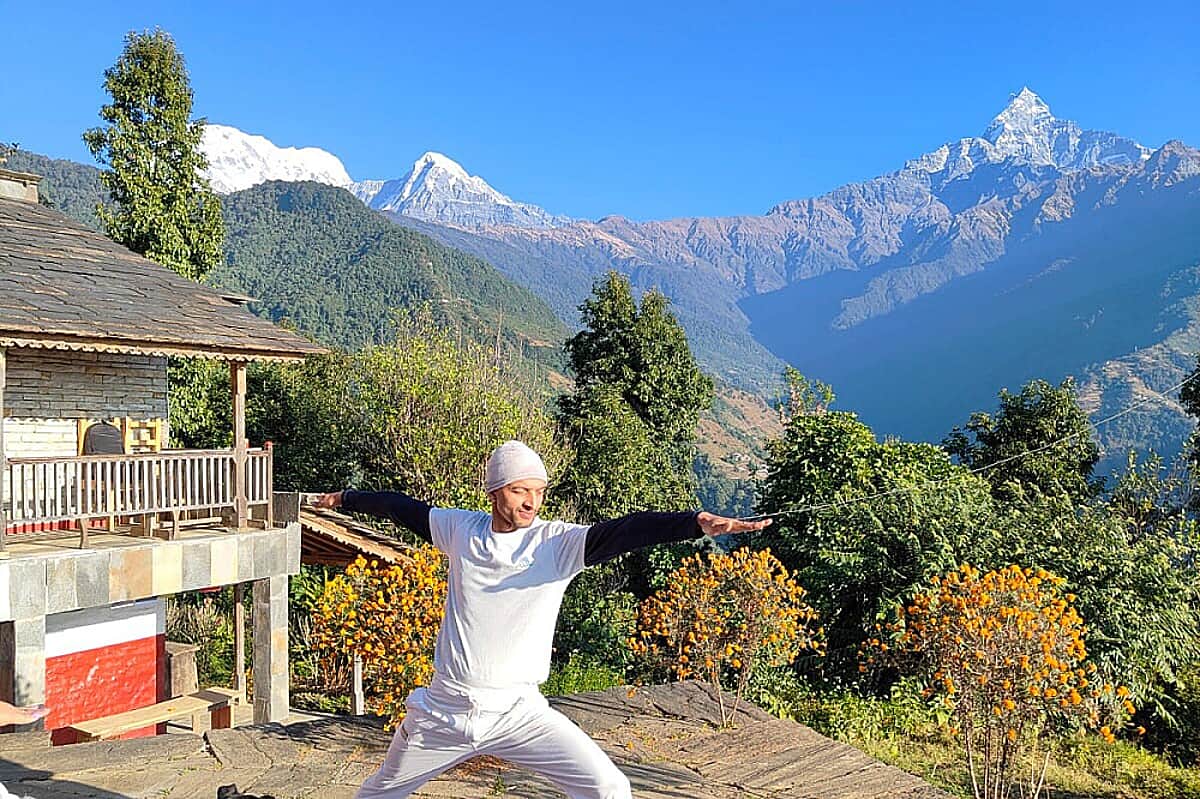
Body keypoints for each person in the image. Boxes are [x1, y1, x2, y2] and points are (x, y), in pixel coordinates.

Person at [313, 440, 771, 799]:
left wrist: (693, 523)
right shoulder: (459, 530)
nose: (532, 502)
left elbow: (627, 530)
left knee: (610, 789)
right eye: (519, 491)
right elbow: (400, 506)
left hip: (519, 713)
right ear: (494, 492)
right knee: (377, 794)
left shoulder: (557, 544)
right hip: (446, 714)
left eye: (538, 492)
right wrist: (346, 498)